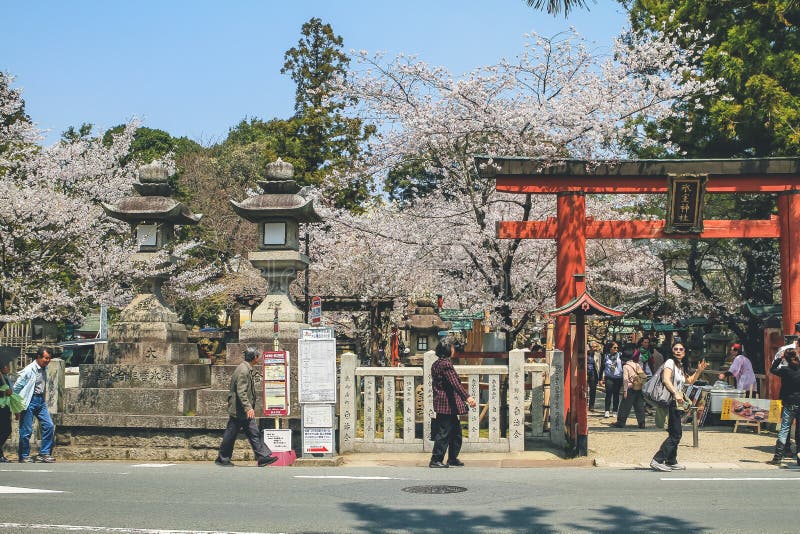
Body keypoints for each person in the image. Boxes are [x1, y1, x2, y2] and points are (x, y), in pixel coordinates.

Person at [215, 347, 278, 467]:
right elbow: (241, 392)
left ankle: (262, 457)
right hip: (240, 410)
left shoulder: (246, 368)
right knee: (233, 434)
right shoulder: (243, 370)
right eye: (258, 356)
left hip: (242, 409)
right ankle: (223, 458)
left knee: (252, 432)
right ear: (254, 358)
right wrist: (248, 407)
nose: (259, 357)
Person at [650, 342, 708, 471]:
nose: (678, 351)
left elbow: (690, 381)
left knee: (674, 432)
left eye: (681, 349)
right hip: (671, 401)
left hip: (677, 402)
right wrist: (676, 393)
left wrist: (699, 371)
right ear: (672, 351)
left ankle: (671, 460)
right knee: (676, 434)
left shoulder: (679, 366)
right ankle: (657, 459)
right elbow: (666, 379)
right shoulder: (670, 362)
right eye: (675, 349)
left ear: (684, 352)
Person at [429, 337, 476, 468]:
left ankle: (452, 458)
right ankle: (436, 459)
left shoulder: (437, 363)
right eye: (452, 347)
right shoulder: (446, 365)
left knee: (456, 433)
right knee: (443, 434)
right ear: (447, 349)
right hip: (446, 405)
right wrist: (468, 397)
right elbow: (455, 383)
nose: (454, 350)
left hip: (445, 404)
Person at [12, 348, 56, 463]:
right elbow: (16, 387)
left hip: (40, 400)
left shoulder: (44, 368)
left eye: (49, 358)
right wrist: (16, 405)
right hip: (29, 401)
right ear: (38, 357)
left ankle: (44, 453)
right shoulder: (29, 370)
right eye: (46, 358)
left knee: (49, 425)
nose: (48, 360)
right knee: (26, 430)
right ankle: (24, 455)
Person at [768, 347, 800, 465]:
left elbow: (772, 369)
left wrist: (779, 359)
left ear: (785, 358)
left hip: (789, 402)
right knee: (799, 431)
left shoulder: (785, 370)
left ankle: (777, 458)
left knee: (785, 428)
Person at [610, 344, 647, 429]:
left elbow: (625, 379)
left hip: (630, 388)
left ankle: (621, 422)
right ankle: (642, 422)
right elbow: (642, 374)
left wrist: (625, 391)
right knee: (639, 406)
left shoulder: (626, 366)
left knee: (624, 406)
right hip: (638, 387)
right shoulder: (637, 364)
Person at [600, 341, 623, 418]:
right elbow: (602, 368)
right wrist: (600, 378)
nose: (616, 349)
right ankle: (607, 410)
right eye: (614, 347)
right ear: (610, 348)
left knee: (616, 394)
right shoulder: (605, 356)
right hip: (609, 378)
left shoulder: (620, 355)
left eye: (617, 347)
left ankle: (615, 410)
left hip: (618, 378)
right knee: (608, 394)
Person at [0, 361, 14, 462]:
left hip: (6, 407)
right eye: (6, 365)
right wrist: (4, 390)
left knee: (6, 430)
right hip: (1, 406)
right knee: (5, 430)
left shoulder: (6, 378)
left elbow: (11, 392)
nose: (8, 367)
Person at [586, 342, 599, 412]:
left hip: (593, 373)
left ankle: (591, 406)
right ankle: (585, 403)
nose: (595, 348)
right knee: (585, 389)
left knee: (593, 390)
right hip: (585, 373)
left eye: (596, 347)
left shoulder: (597, 355)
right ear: (590, 347)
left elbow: (599, 365)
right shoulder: (585, 354)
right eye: (594, 347)